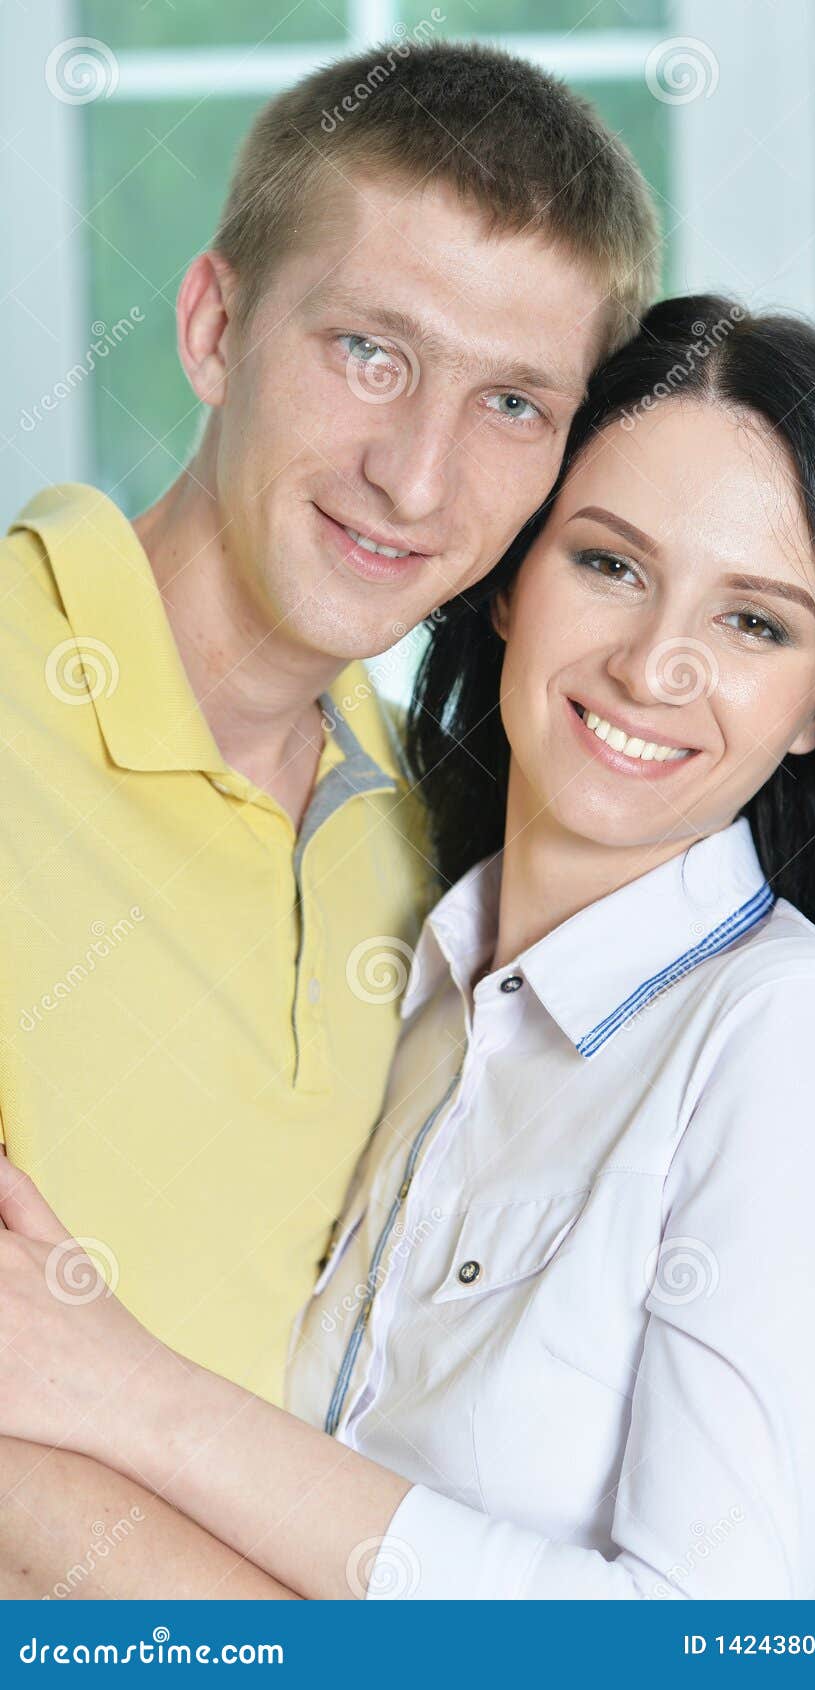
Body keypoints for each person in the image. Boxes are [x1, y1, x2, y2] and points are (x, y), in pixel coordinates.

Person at [0, 297, 815, 1600]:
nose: (653, 665)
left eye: (754, 623)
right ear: (512, 582)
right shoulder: (419, 983)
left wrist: (130, 1394)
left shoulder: (794, 1036)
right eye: (610, 565)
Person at [0, 41, 658, 1406]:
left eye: (512, 403)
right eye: (370, 352)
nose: (415, 478)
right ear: (214, 329)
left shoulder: (443, 841)